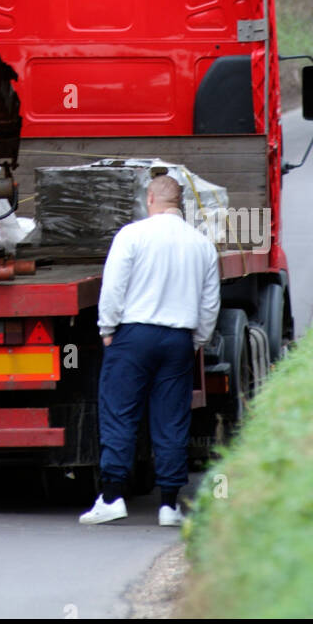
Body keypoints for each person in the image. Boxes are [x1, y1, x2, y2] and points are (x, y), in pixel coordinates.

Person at [79, 172, 220, 528]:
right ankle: (169, 505)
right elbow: (210, 304)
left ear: (150, 200)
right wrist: (196, 341)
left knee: (120, 413)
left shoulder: (132, 235)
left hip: (134, 336)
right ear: (180, 204)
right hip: (178, 340)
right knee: (171, 420)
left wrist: (107, 329)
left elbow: (113, 288)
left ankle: (112, 497)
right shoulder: (201, 244)